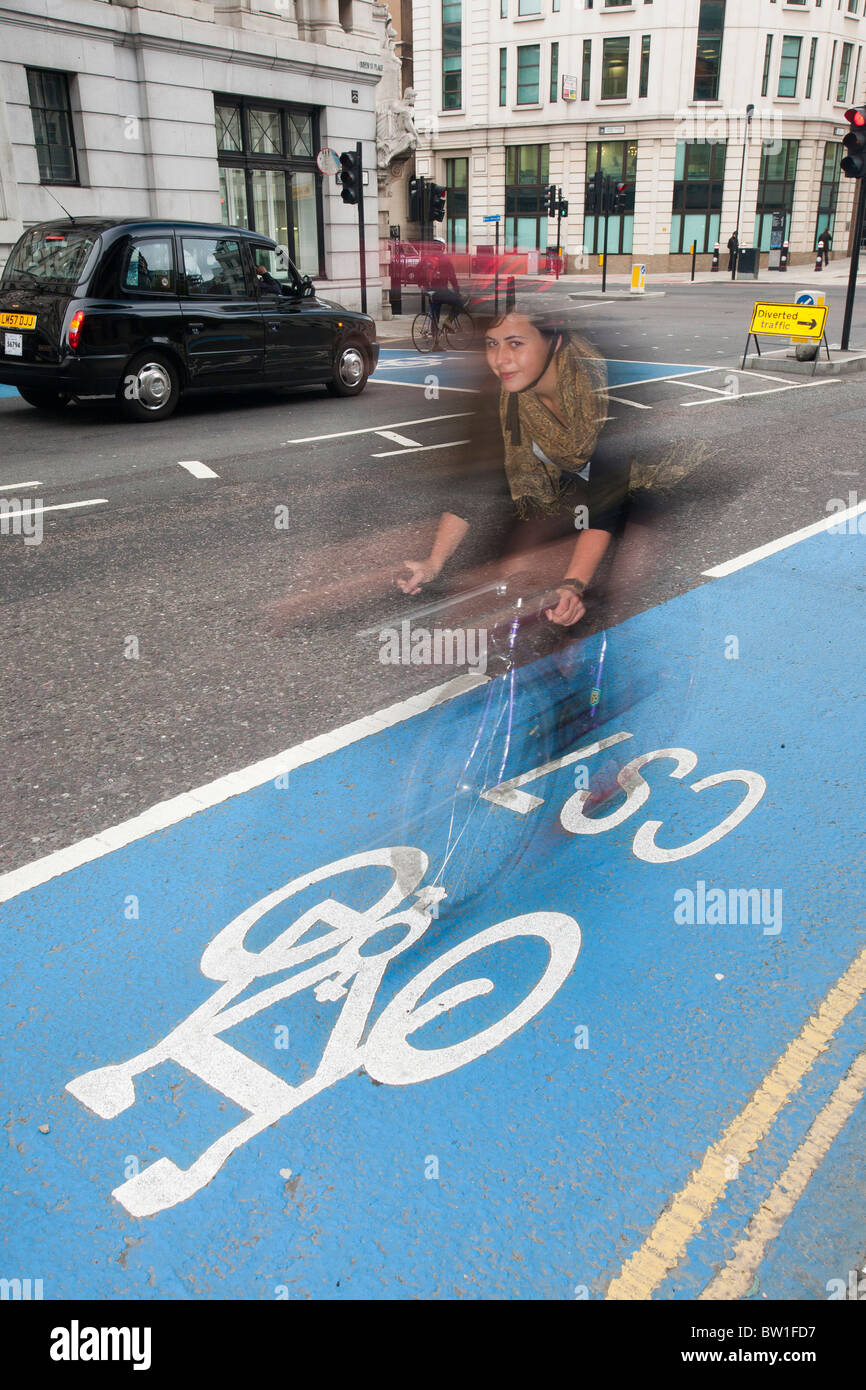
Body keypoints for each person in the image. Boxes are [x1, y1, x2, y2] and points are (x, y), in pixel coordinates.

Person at [398, 307, 629, 628]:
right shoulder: (509, 400)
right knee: (507, 576)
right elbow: (478, 485)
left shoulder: (595, 397)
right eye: (492, 344)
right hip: (559, 500)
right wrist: (434, 562)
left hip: (622, 503)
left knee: (593, 608)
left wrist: (573, 586)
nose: (500, 359)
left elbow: (606, 507)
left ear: (554, 343)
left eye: (516, 343)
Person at [423, 248, 464, 334]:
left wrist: (424, 286)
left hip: (431, 292)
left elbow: (418, 271)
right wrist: (457, 291)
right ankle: (448, 321)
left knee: (435, 314)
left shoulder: (427, 259)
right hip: (442, 291)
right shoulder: (445, 260)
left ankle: (435, 343)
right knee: (459, 303)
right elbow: (452, 278)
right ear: (442, 249)